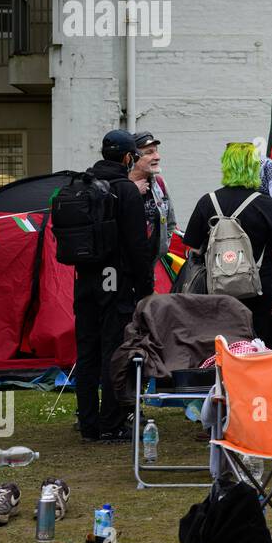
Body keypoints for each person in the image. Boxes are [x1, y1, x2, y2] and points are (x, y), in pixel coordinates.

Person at [73, 130, 155, 442]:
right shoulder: (126, 191)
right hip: (116, 282)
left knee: (86, 351)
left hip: (84, 279)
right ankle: (110, 422)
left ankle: (88, 421)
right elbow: (138, 247)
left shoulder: (82, 185)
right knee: (113, 351)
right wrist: (146, 288)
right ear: (127, 157)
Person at [181, 142, 272, 348]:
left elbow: (193, 250)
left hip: (217, 289)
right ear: (255, 168)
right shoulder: (268, 205)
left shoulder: (207, 202)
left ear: (226, 166)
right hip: (259, 288)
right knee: (258, 345)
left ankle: (224, 380)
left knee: (222, 345)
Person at [129, 131, 176, 264]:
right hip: (122, 269)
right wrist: (132, 191)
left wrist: (161, 248)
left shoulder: (160, 185)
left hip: (150, 265)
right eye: (149, 153)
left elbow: (170, 223)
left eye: (156, 152)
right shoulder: (118, 187)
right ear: (133, 157)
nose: (157, 157)